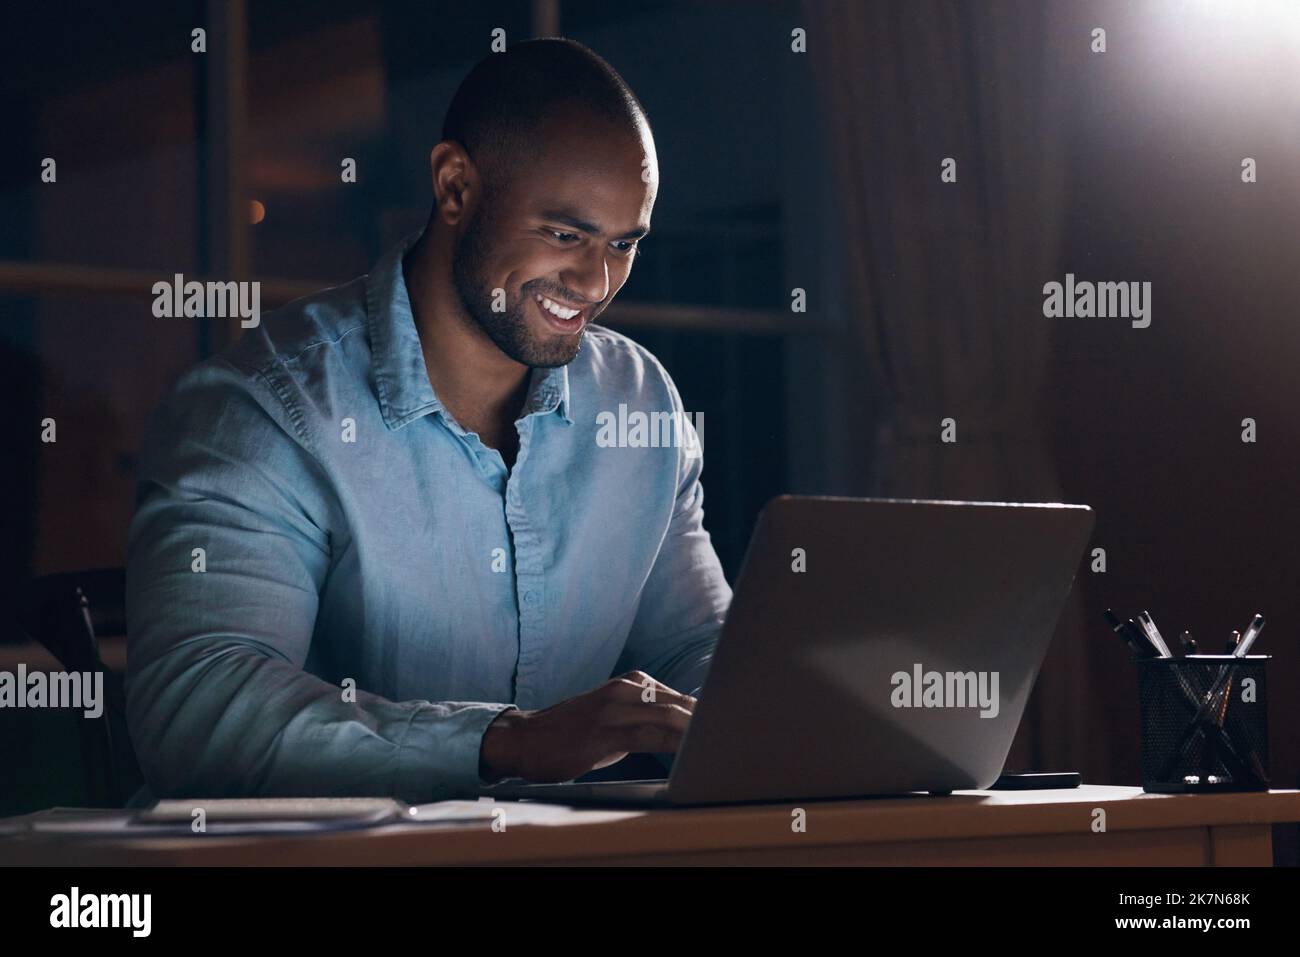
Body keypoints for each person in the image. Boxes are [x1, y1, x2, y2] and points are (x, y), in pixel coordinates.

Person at [125, 38, 732, 803]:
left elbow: (697, 646)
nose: (597, 281)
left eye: (623, 243)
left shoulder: (641, 403)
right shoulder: (261, 407)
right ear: (455, 187)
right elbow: (195, 709)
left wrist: (775, 717)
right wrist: (505, 740)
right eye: (566, 234)